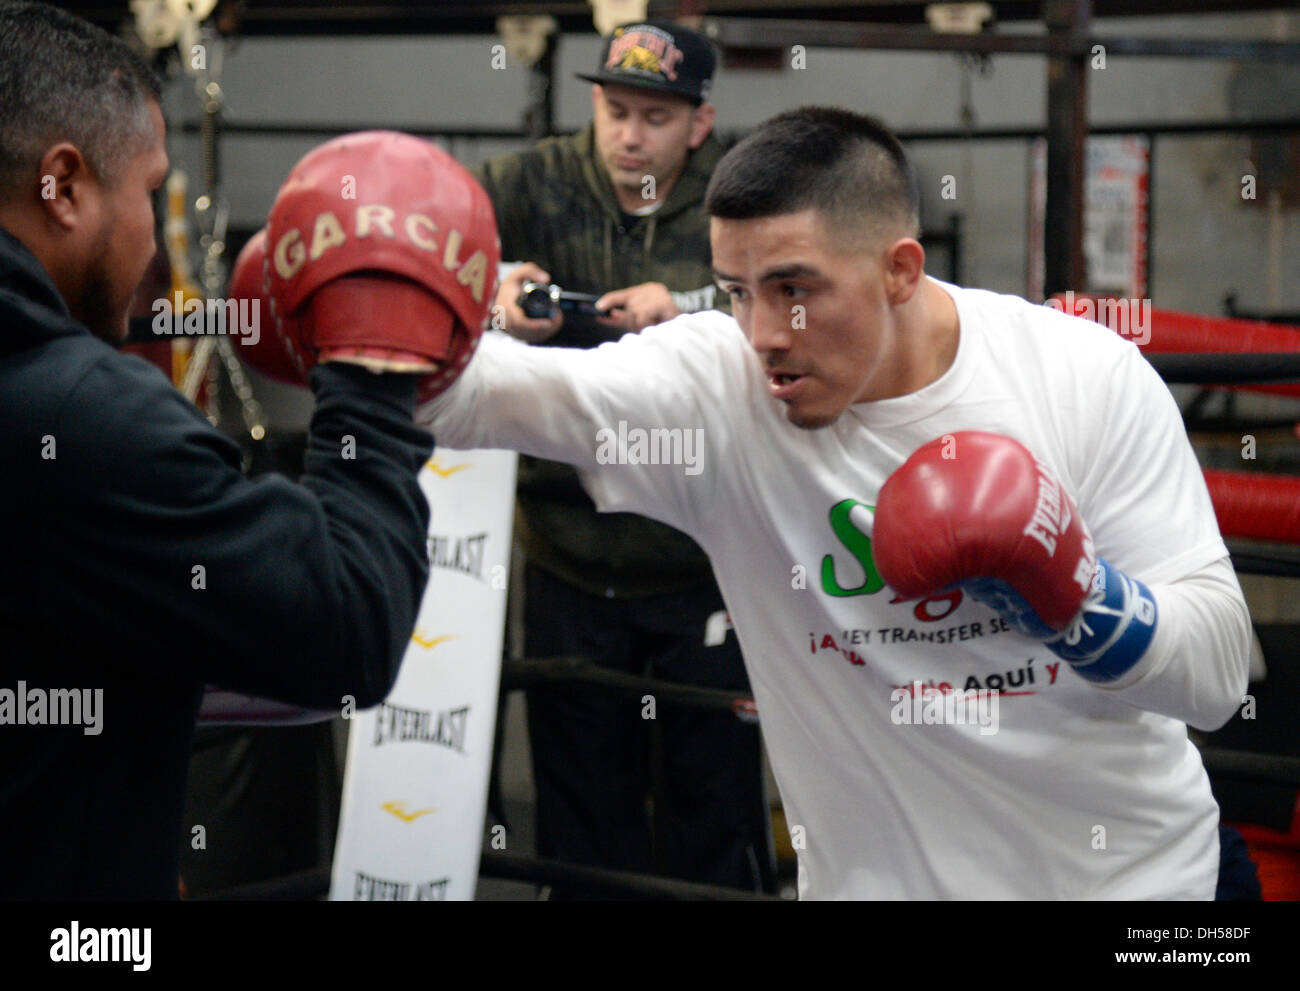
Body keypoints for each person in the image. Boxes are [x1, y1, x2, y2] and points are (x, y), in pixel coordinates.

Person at [418, 106, 1253, 898]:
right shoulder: (719, 390)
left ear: (899, 269)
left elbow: (1217, 677)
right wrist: (354, 293)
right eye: (737, 290)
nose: (764, 333)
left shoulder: (1078, 376)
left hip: (1148, 890)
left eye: (793, 288)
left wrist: (1074, 594)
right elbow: (475, 397)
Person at [0, 3, 494, 898]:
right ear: (62, 188)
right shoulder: (83, 419)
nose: (156, 238)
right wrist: (373, 370)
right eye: (149, 191)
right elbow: (347, 623)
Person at [472, 20, 769, 892]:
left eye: (655, 117)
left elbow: (807, 290)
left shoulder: (743, 192)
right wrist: (491, 291)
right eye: (614, 109)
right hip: (569, 548)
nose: (630, 135)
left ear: (700, 124)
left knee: (712, 802)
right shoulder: (533, 180)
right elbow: (432, 240)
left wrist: (689, 308)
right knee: (578, 814)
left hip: (701, 554)